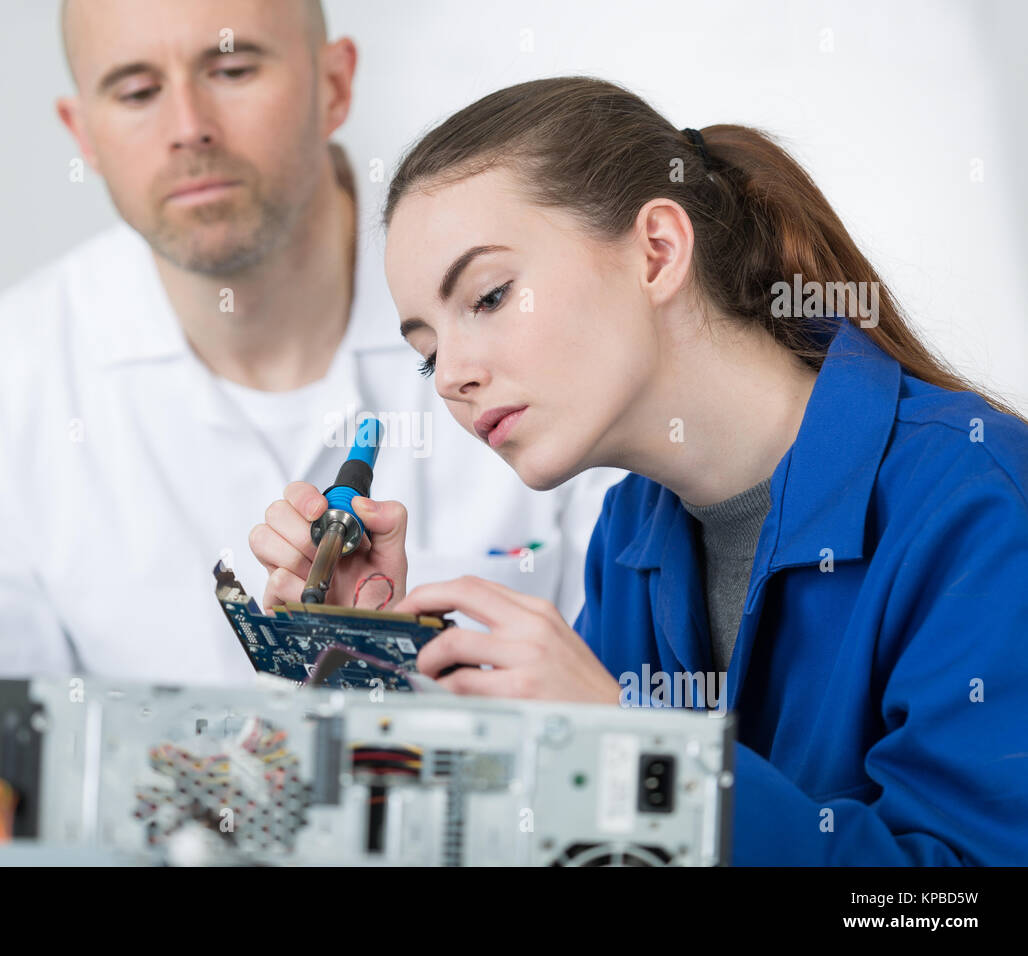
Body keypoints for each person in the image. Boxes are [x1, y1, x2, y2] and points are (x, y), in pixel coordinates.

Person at [253, 75, 1028, 865]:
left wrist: (639, 750)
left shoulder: (981, 504)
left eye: (488, 297)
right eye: (427, 356)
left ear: (657, 250)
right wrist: (368, 657)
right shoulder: (634, 534)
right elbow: (564, 845)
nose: (451, 374)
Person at [0, 3, 618, 683]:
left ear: (334, 85)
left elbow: (638, 737)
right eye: (135, 91)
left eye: (231, 69)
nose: (188, 125)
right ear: (82, 134)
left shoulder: (537, 324)